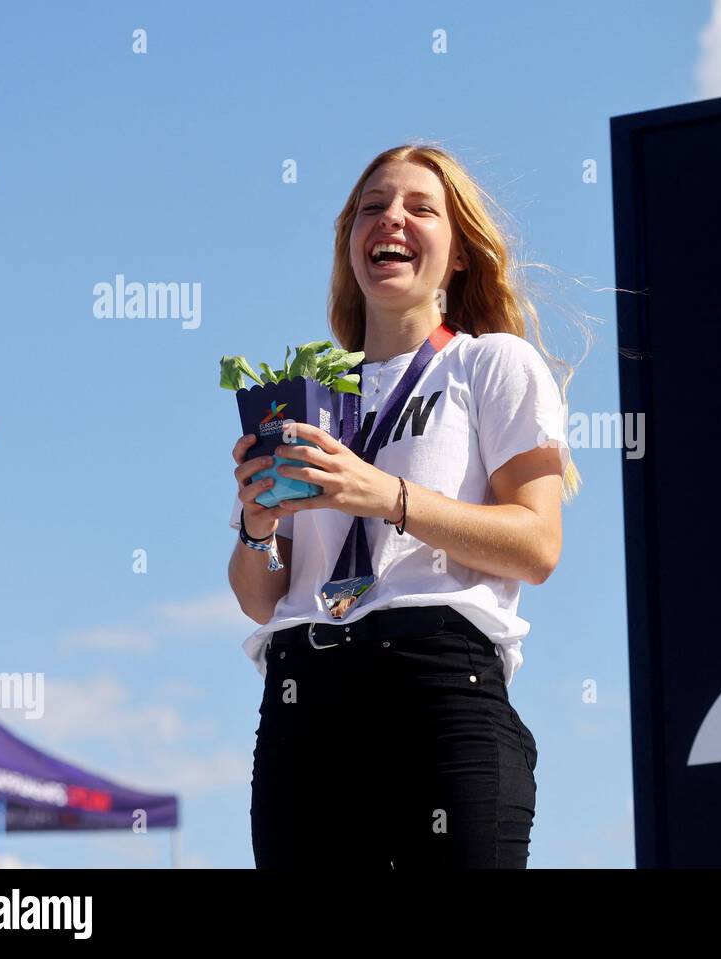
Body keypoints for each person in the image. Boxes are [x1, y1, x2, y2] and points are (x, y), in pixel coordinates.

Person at [227, 144, 580, 869]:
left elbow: (538, 545)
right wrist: (258, 525)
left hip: (438, 687)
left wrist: (386, 495)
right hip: (303, 702)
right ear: (349, 243)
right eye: (372, 207)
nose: (391, 219)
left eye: (421, 208)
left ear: (459, 254)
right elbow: (259, 596)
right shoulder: (307, 392)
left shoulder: (490, 363)